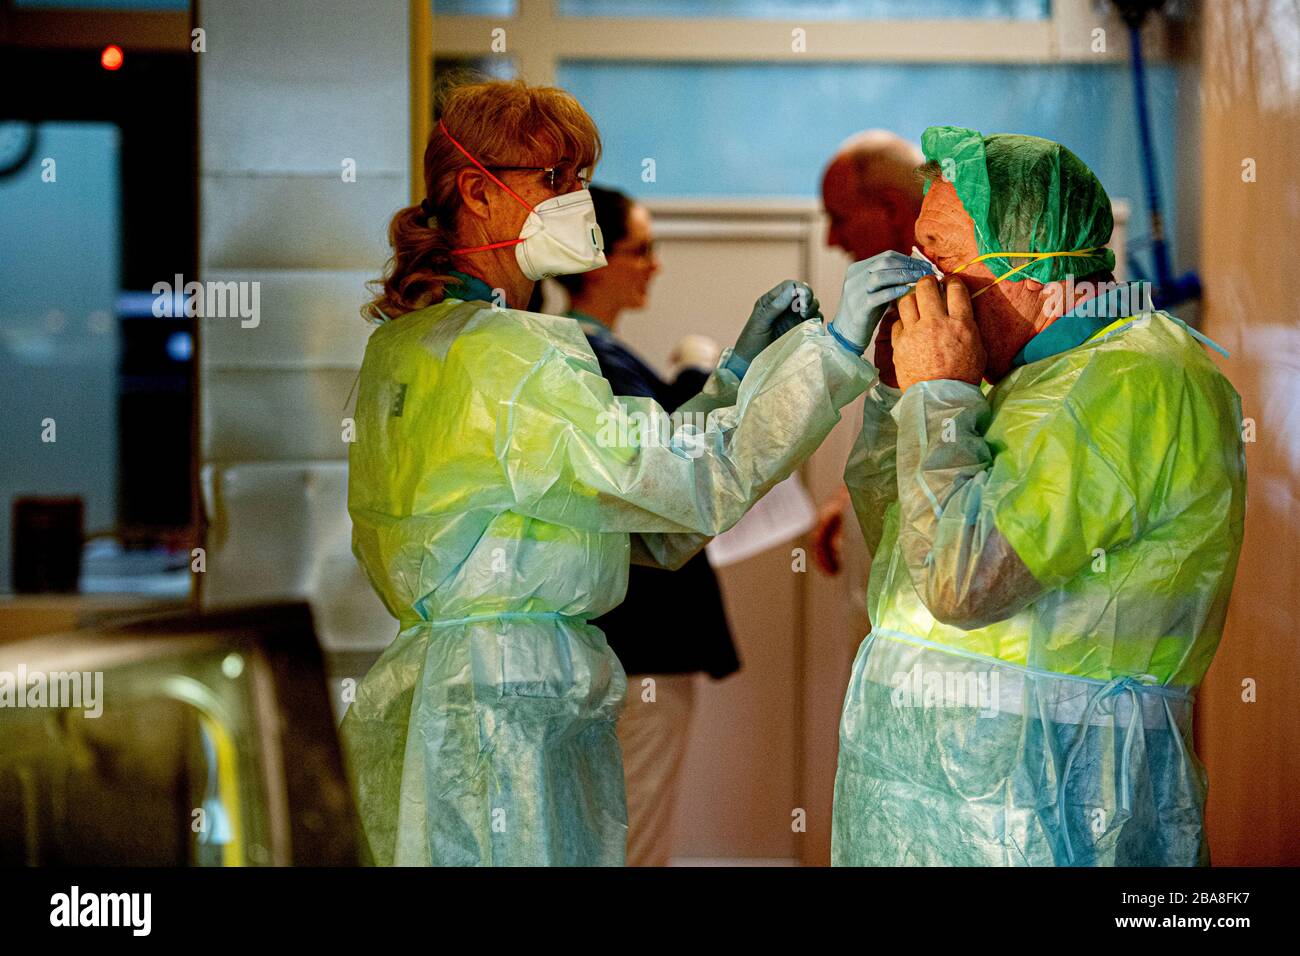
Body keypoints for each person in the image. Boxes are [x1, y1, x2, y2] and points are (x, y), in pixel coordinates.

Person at [338, 78, 880, 866]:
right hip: (508, 714)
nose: (577, 200)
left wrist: (733, 376)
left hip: (460, 703)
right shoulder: (510, 353)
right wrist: (834, 352)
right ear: (477, 193)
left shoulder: (414, 344)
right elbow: (692, 486)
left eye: (582, 178)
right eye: (553, 180)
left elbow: (640, 510)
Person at [831, 126, 1246, 866]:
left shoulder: (1136, 378)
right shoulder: (1015, 384)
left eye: (940, 259)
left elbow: (964, 584)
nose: (920, 285)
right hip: (934, 808)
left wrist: (940, 396)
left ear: (1031, 268)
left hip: (1054, 814)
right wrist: (901, 397)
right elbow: (905, 544)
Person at [552, 185, 740, 867]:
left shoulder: (592, 355)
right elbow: (664, 475)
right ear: (596, 259)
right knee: (634, 835)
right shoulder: (590, 360)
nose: (655, 265)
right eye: (642, 250)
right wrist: (697, 375)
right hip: (640, 644)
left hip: (622, 643)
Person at [812, 131, 924, 576]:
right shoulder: (898, 294)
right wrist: (849, 500)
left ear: (893, 209)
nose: (830, 240)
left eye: (838, 218)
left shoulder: (961, 306)